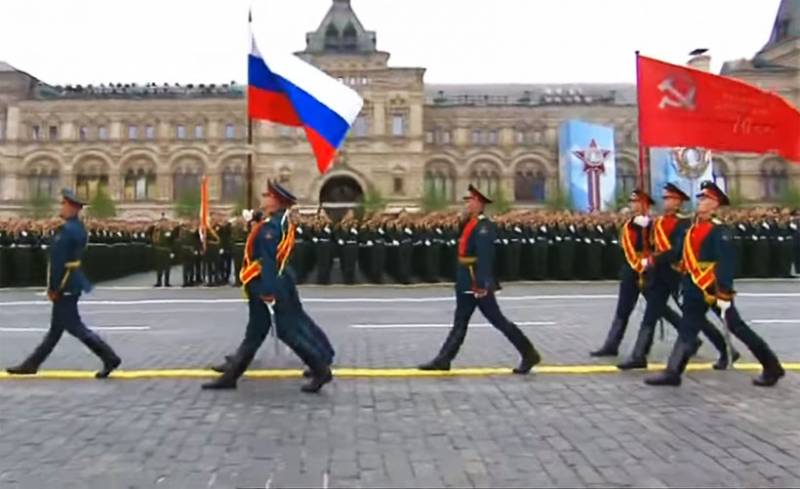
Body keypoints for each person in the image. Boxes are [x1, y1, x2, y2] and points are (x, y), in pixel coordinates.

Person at [645, 181, 785, 387]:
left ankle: (772, 366)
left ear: (715, 204)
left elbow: (726, 263)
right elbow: (678, 252)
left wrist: (724, 293)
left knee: (737, 327)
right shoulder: (693, 228)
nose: (700, 202)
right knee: (687, 329)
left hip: (712, 288)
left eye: (705, 199)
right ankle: (673, 372)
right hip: (693, 286)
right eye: (700, 198)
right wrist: (654, 259)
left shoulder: (720, 230)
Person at [203, 181, 333, 393]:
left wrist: (268, 291)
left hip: (267, 285)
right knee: (254, 333)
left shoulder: (271, 228)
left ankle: (320, 369)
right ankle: (231, 376)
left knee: (286, 332)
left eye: (268, 196)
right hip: (272, 283)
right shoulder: (279, 222)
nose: (264, 197)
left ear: (275, 202)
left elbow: (269, 261)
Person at [418, 185, 540, 373]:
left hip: (476, 281)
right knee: (460, 321)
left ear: (479, 204)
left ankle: (529, 353)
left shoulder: (484, 226)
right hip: (466, 278)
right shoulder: (470, 223)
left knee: (498, 320)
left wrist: (482, 283)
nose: (467, 203)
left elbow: (485, 256)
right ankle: (443, 359)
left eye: (471, 200)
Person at [6, 189, 121, 379]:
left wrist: (54, 288)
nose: (62, 207)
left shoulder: (66, 231)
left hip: (66, 283)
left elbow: (58, 263)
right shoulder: (77, 228)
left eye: (65, 204)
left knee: (75, 327)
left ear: (73, 208)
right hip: (72, 281)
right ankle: (31, 364)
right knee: (55, 331)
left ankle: (109, 357)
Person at [617, 183, 733, 370]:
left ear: (678, 202)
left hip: (676, 274)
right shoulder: (658, 222)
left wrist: (655, 259)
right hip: (659, 276)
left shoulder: (684, 223)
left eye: (669, 198)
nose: (665, 201)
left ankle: (724, 349)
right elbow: (645, 243)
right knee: (650, 315)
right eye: (665, 198)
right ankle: (639, 354)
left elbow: (677, 251)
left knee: (695, 317)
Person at [590, 190, 653, 357]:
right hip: (630, 270)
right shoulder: (629, 225)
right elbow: (626, 248)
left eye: (636, 202)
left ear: (644, 205)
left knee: (659, 309)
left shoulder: (653, 225)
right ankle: (611, 345)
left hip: (649, 271)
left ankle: (690, 338)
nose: (632, 205)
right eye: (631, 202)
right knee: (623, 309)